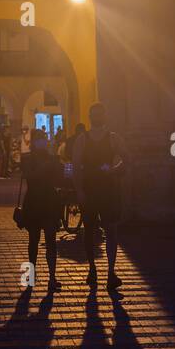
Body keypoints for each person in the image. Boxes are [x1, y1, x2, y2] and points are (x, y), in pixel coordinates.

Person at [73, 103, 128, 294]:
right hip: (90, 190)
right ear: (90, 116)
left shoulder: (113, 138)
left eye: (99, 114)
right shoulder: (83, 139)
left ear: (104, 116)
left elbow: (126, 159)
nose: (97, 117)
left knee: (110, 229)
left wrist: (113, 169)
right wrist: (78, 189)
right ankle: (92, 268)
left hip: (108, 189)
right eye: (94, 114)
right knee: (89, 231)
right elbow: (75, 165)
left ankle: (111, 272)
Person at [21, 129, 63, 294]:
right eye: (39, 139)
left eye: (43, 139)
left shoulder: (52, 158)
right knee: (33, 241)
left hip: (49, 202)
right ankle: (30, 277)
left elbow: (59, 177)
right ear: (34, 142)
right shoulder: (27, 159)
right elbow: (29, 176)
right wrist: (46, 167)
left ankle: (52, 278)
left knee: (51, 242)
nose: (42, 142)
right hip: (34, 202)